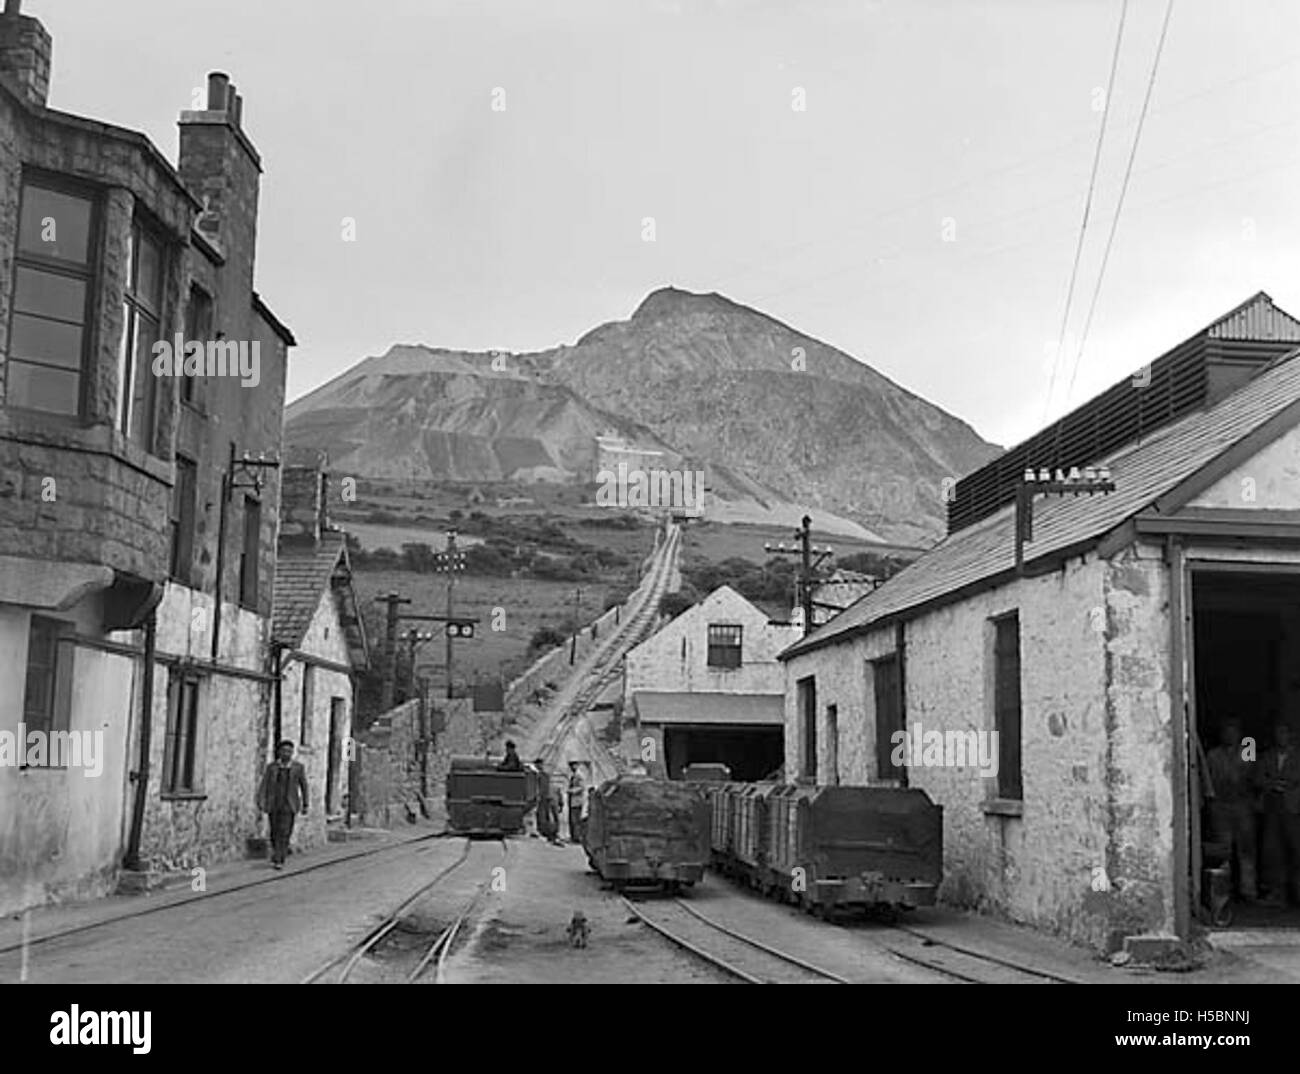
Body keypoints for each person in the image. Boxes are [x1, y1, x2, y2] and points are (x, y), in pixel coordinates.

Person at [1205, 719, 1260, 901]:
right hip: (1221, 806)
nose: (1230, 735)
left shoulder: (1247, 748)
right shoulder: (1213, 755)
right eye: (1226, 731)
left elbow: (1251, 774)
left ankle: (1248, 890)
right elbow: (1209, 779)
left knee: (1247, 849)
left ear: (1239, 734)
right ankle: (1223, 893)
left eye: (1234, 731)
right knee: (1223, 850)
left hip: (1243, 805)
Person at [1259, 721, 1300, 906]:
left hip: (1294, 809)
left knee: (1296, 849)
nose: (1280, 737)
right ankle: (1278, 893)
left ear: (1291, 735)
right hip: (1273, 809)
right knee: (1273, 851)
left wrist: (1289, 784)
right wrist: (1272, 784)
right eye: (1278, 733)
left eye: (1284, 732)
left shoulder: (1298, 756)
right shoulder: (1266, 755)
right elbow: (1256, 777)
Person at [256, 740, 309, 870]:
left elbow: (304, 786)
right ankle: (276, 852)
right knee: (274, 831)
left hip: (289, 804)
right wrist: (261, 800)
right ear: (279, 752)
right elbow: (265, 784)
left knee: (285, 831)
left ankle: (280, 857)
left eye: (289, 751)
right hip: (274, 803)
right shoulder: (272, 767)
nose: (287, 754)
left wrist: (305, 803)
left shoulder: (298, 767)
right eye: (284, 751)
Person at [567, 760, 588, 845]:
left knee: (576, 820)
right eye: (571, 766)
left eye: (573, 765)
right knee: (572, 819)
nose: (572, 767)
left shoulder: (579, 775)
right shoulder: (574, 775)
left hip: (577, 800)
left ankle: (577, 838)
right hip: (572, 801)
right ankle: (573, 836)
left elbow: (582, 787)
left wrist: (572, 791)